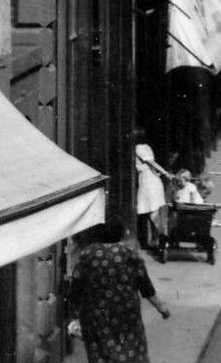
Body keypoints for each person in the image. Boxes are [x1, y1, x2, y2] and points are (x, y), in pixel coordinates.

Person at [70, 219, 169, 363]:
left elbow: (76, 289)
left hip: (96, 316)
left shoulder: (87, 254)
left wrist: (73, 316)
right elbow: (145, 286)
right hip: (127, 316)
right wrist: (161, 307)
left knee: (99, 354)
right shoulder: (129, 253)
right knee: (129, 352)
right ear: (121, 234)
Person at [132, 134, 167, 248]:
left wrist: (165, 173)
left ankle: (158, 239)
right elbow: (151, 164)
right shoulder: (146, 147)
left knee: (151, 210)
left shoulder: (139, 148)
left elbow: (151, 163)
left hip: (148, 181)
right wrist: (158, 174)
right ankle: (156, 239)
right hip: (150, 179)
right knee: (151, 210)